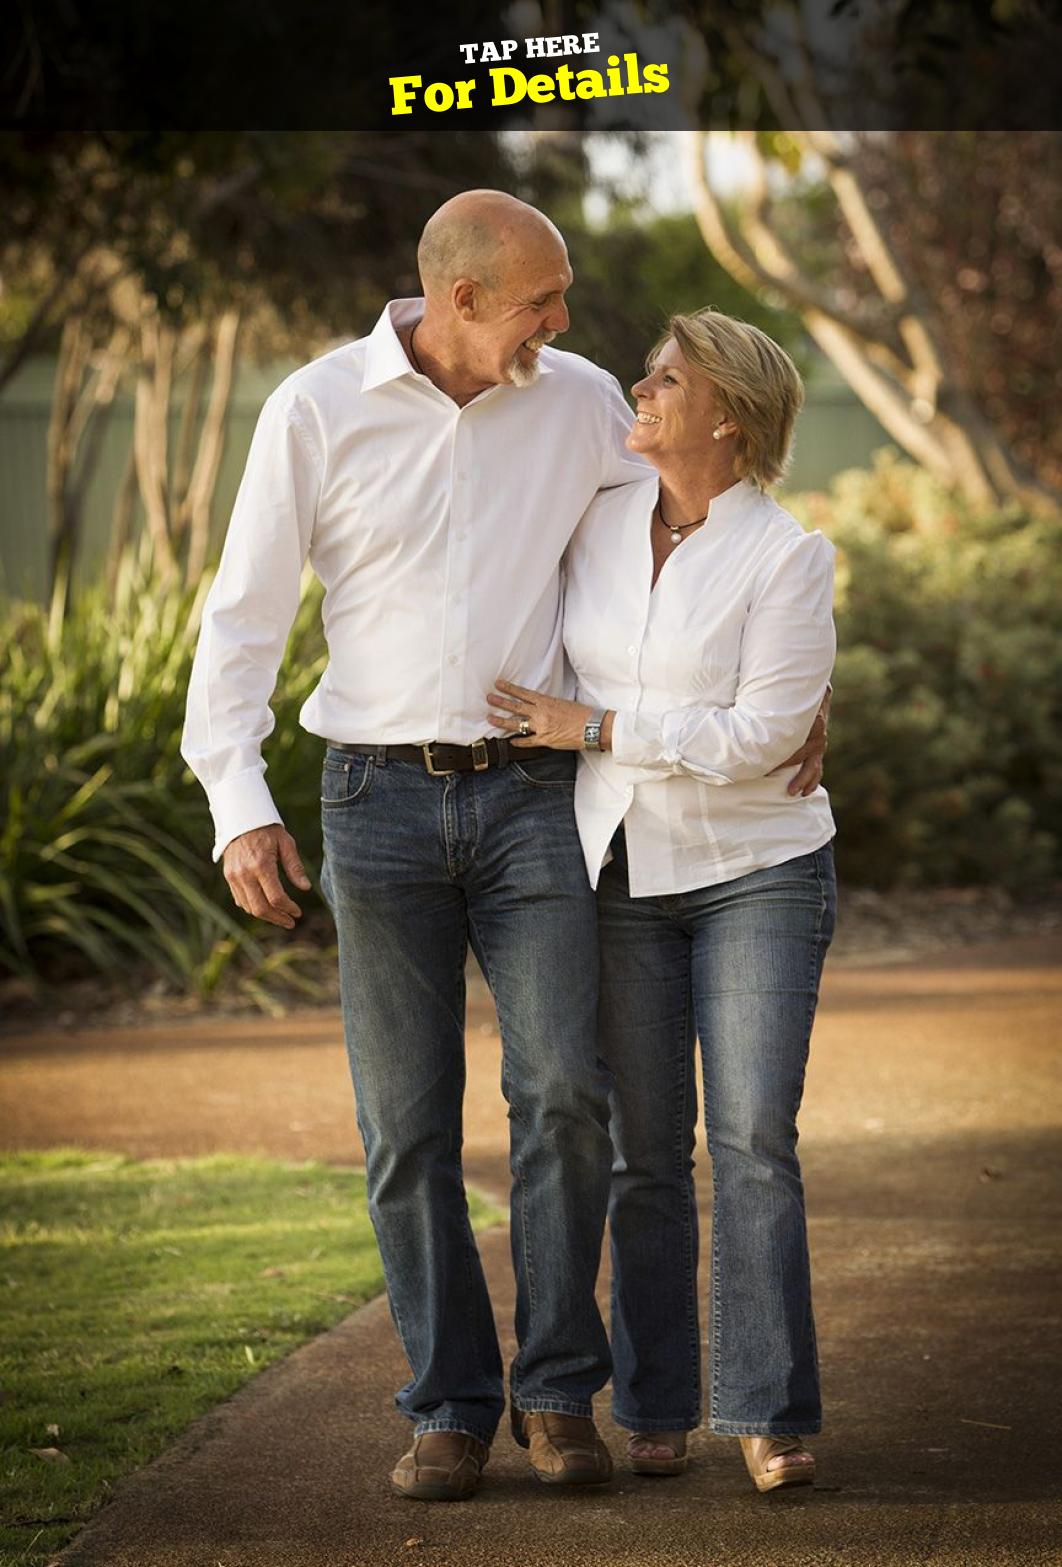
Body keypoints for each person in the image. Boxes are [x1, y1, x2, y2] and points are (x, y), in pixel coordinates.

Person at [182, 192, 826, 1502]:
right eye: (541, 299)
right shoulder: (315, 407)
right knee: (406, 1126)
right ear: (462, 298)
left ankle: (552, 1392)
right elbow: (240, 614)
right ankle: (449, 1404)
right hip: (376, 801)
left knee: (565, 1100)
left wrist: (805, 691)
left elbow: (706, 522)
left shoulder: (581, 396)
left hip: (537, 800)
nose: (565, 322)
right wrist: (234, 795)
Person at [488, 308, 836, 1494]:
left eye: (668, 377)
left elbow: (765, 737)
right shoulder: (594, 521)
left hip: (760, 877)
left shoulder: (789, 554)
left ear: (727, 415)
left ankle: (770, 1409)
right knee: (646, 1152)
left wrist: (598, 729)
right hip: (620, 872)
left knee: (750, 1141)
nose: (641, 385)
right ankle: (655, 1401)